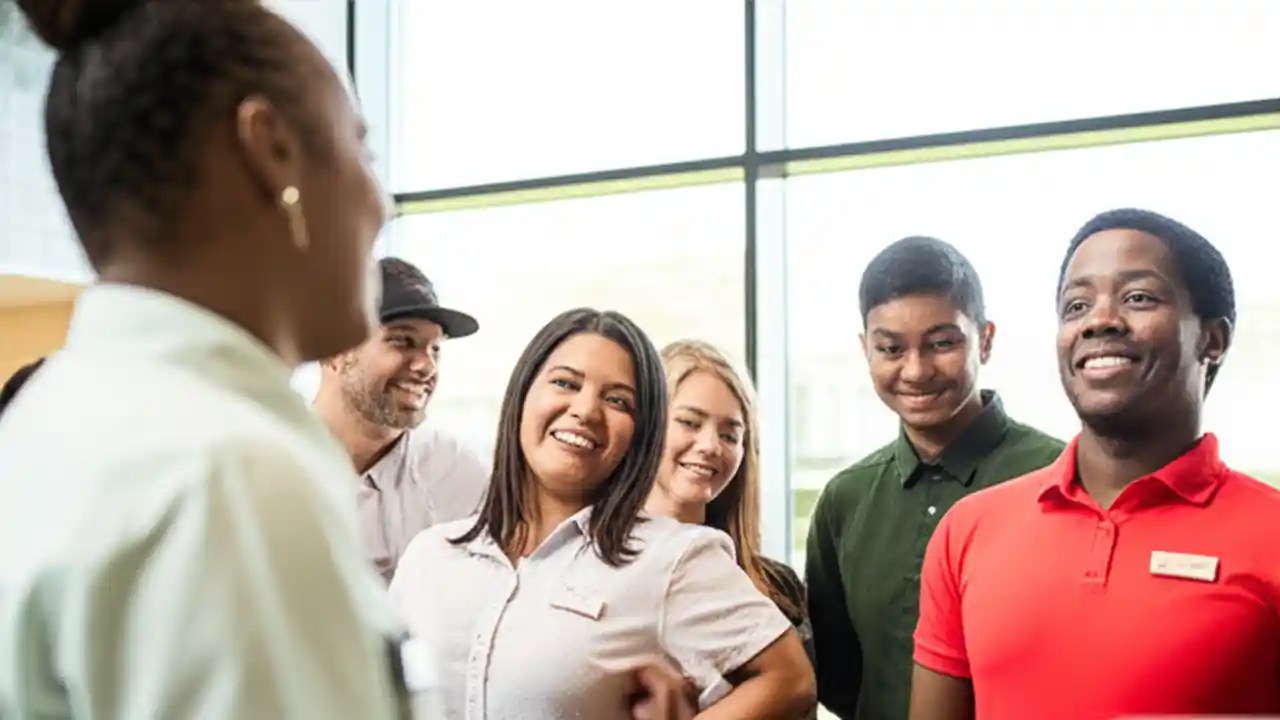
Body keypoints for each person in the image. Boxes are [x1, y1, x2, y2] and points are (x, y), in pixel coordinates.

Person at [0, 0, 413, 716]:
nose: (385, 203)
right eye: (363, 151)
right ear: (271, 147)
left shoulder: (49, 426)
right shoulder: (226, 475)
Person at [911, 209, 1280, 719]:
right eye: (1076, 305)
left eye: (1138, 297)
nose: (1099, 320)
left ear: (1212, 339)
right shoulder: (968, 531)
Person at [389, 308, 816, 719]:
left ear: (642, 433)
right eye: (565, 383)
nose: (586, 410)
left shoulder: (673, 558)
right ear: (522, 395)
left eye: (617, 400)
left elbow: (789, 679)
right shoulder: (429, 556)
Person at [806, 236, 1064, 719]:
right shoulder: (846, 499)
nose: (916, 370)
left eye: (942, 343)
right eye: (890, 348)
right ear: (866, 349)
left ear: (984, 340)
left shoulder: (1059, 478)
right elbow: (838, 679)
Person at [643, 340, 816, 678]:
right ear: (647, 426)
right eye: (690, 422)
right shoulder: (597, 573)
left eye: (729, 434)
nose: (710, 446)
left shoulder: (778, 588)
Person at [313, 255, 489, 581]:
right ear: (334, 350)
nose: (427, 366)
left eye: (435, 349)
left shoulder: (460, 472)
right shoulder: (268, 464)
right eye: (403, 341)